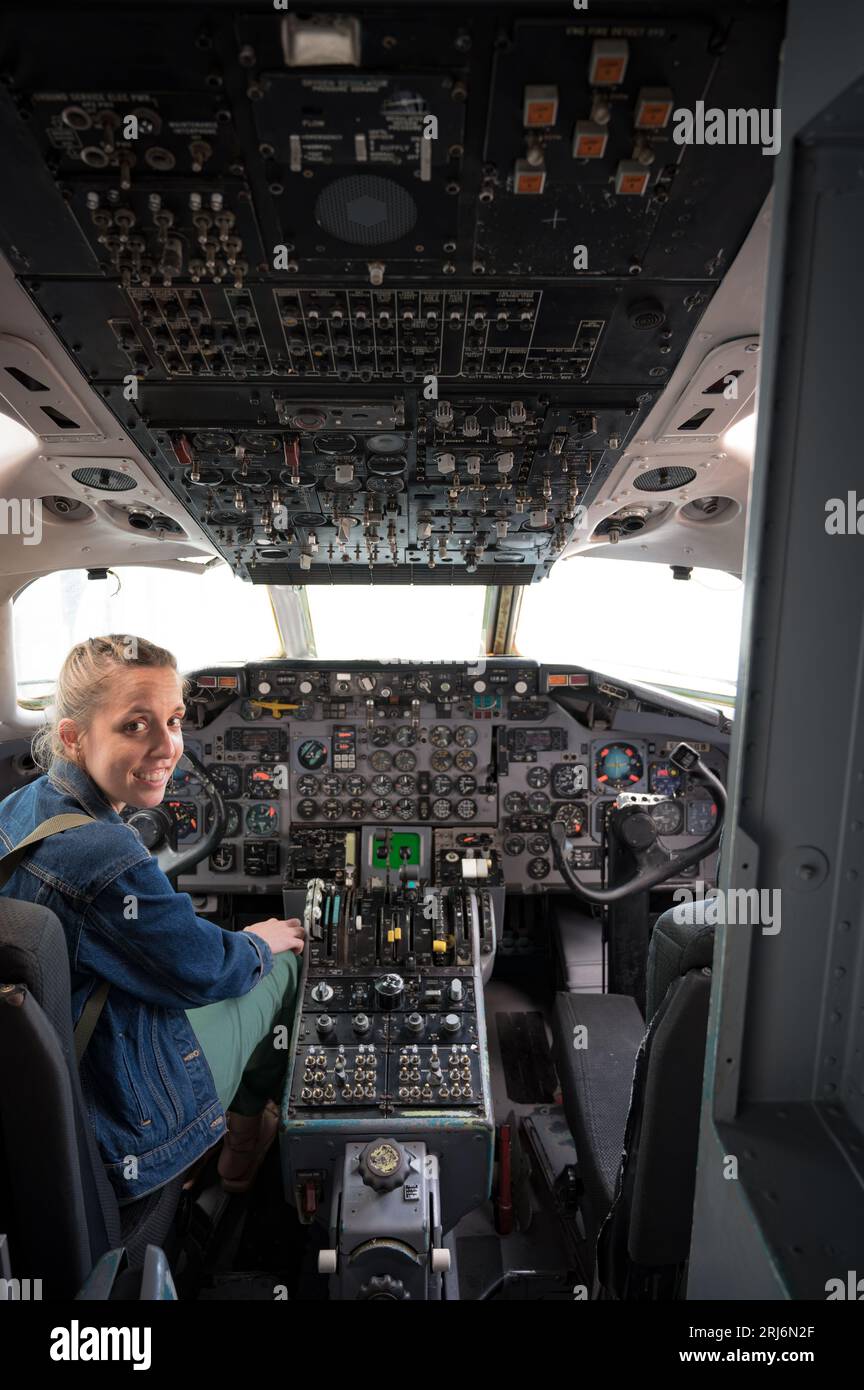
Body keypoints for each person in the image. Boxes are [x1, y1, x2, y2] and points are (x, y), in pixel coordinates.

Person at [0, 634, 305, 1203]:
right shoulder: (105, 857)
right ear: (72, 737)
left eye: (175, 720)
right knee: (282, 964)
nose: (169, 748)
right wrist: (258, 942)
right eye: (135, 726)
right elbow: (208, 972)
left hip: (42, 1087)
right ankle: (240, 1144)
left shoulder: (18, 808)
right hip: (120, 1118)